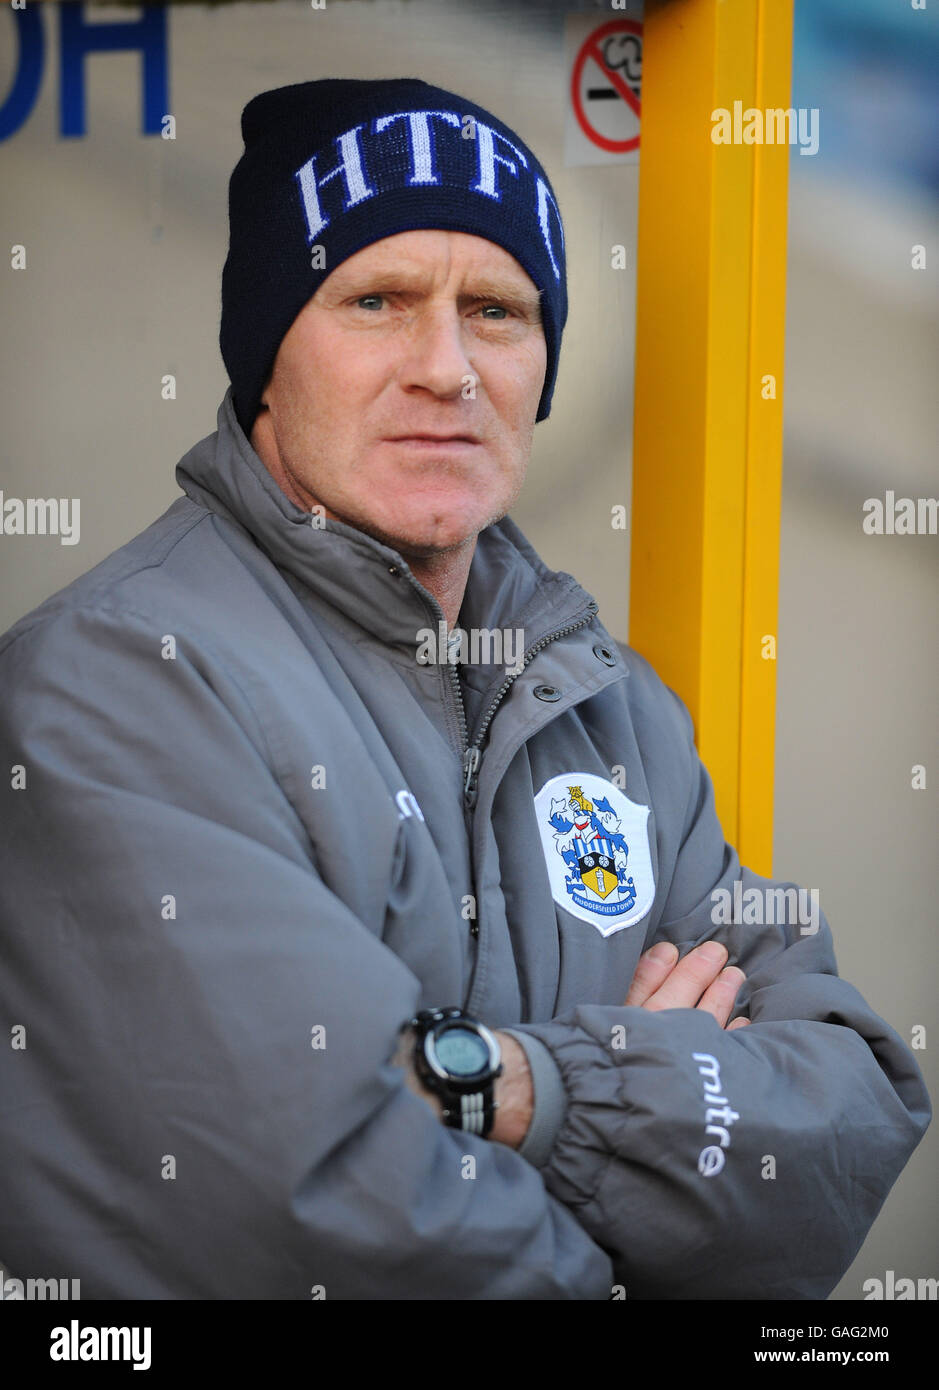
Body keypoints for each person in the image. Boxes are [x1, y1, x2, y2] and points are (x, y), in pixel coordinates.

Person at [0, 78, 928, 1301]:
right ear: (267, 356)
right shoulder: (114, 684)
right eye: (376, 300)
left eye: (495, 309)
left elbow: (852, 1111)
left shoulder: (611, 705)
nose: (448, 368)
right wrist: (656, 1119)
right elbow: (323, 1206)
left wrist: (520, 1086)